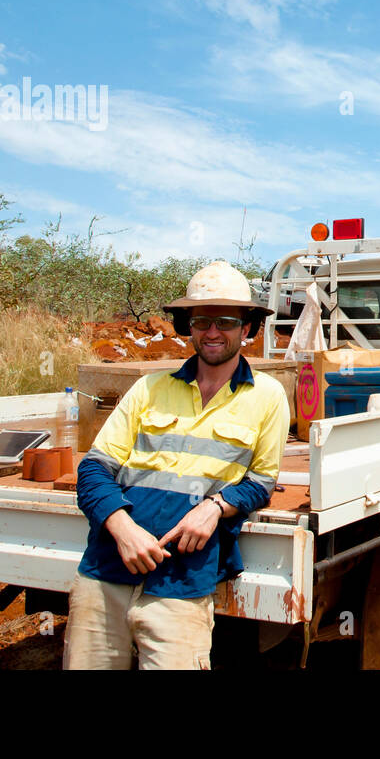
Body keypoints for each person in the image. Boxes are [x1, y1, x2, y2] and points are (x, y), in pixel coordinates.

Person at [63, 261, 286, 670]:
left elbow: (261, 481)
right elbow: (93, 470)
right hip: (104, 574)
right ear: (188, 326)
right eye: (201, 321)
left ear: (247, 328)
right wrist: (123, 528)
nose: (212, 332)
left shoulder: (268, 397)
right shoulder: (149, 387)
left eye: (225, 321)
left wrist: (215, 507)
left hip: (183, 586)